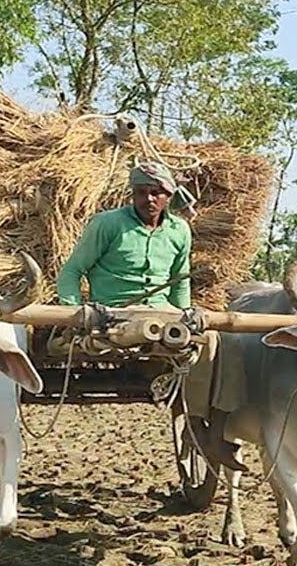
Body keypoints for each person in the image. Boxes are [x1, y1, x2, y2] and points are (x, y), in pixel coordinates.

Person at [57, 162, 246, 472]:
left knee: (218, 341)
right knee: (147, 329)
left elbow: (180, 280)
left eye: (156, 193)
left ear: (169, 195)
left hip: (164, 312)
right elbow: (72, 271)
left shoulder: (179, 230)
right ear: (132, 194)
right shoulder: (107, 224)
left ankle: (208, 429)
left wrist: (187, 317)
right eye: (141, 193)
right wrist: (76, 314)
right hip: (114, 313)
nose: (148, 199)